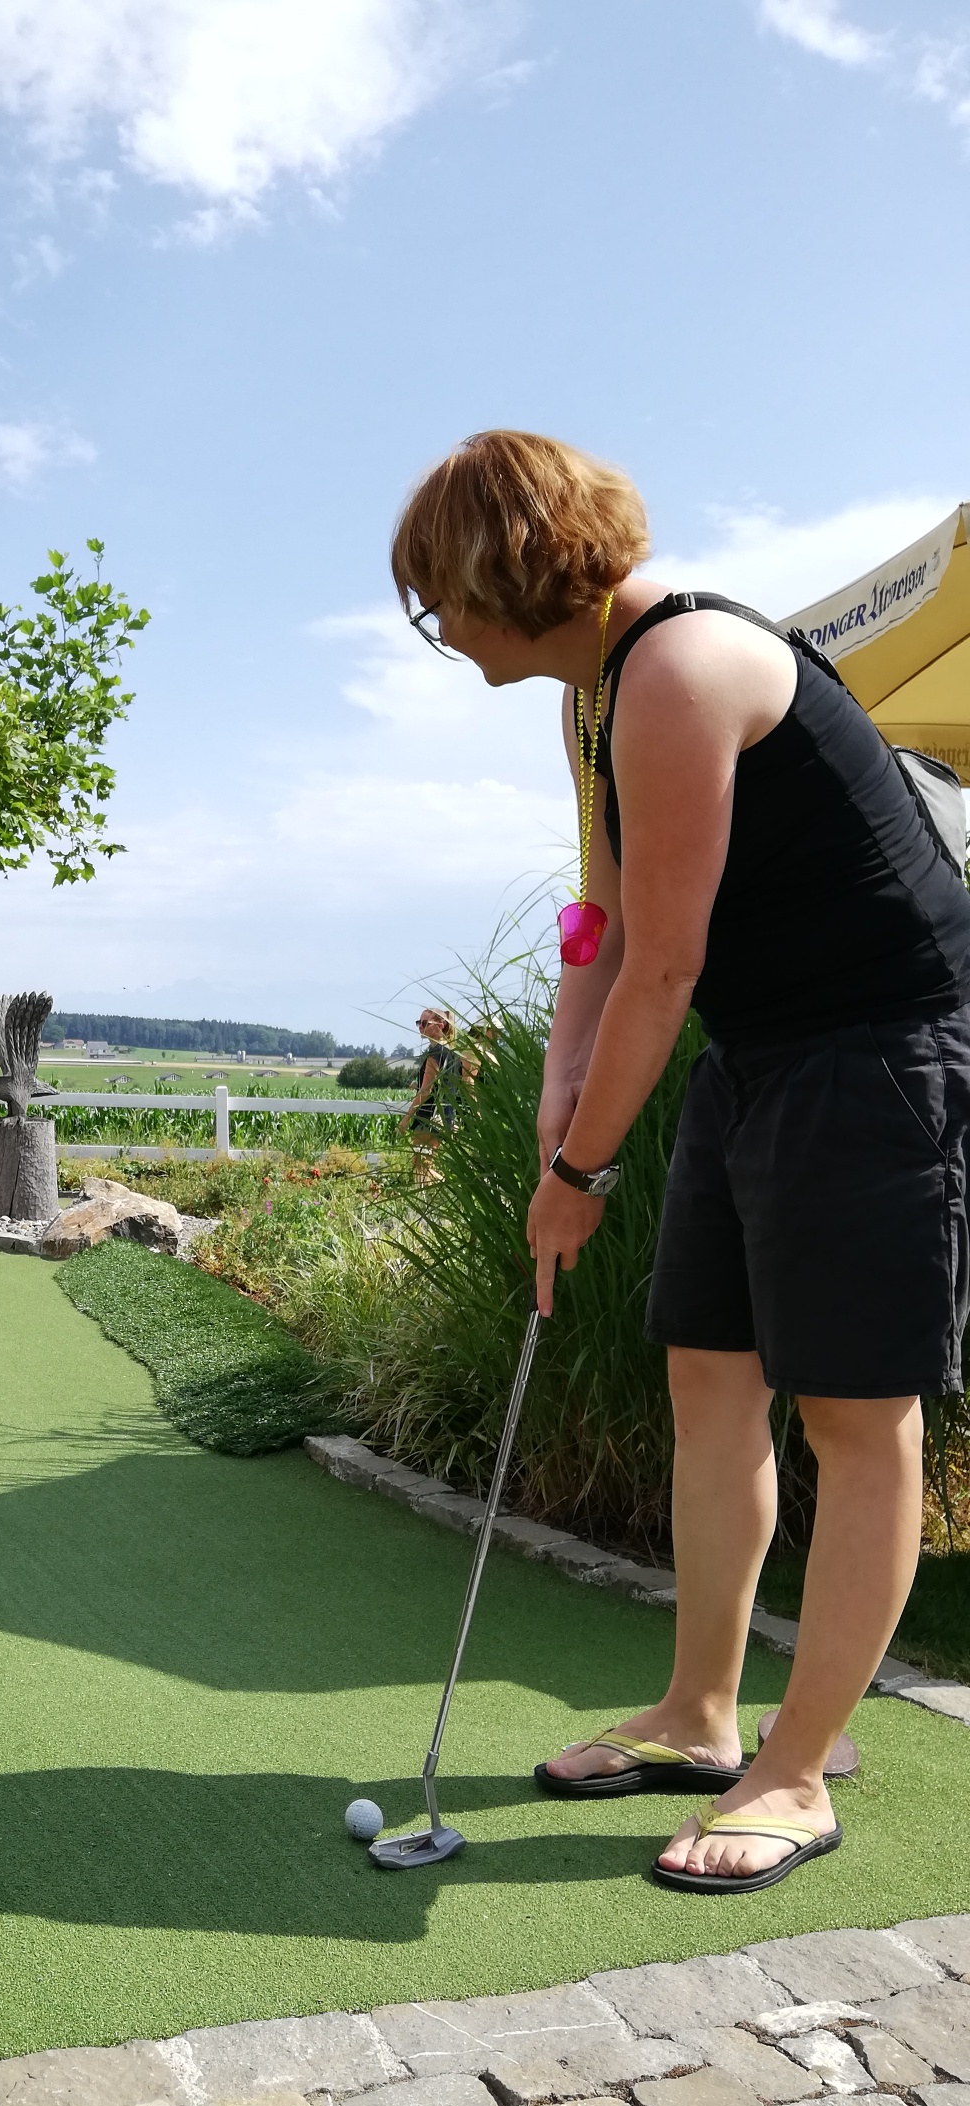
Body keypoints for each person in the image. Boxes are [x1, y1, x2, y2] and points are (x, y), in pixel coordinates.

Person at [390, 430, 970, 1892]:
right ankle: (702, 1715)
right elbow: (600, 925)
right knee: (709, 1374)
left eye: (435, 602)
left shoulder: (683, 670)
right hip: (763, 1052)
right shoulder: (591, 700)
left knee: (856, 1413)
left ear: (503, 571)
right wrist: (558, 1086)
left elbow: (669, 961)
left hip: (881, 1054)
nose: (437, 634)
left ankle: (795, 1773)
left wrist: (578, 1176)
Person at [404, 1007, 464, 1181]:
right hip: (444, 1117)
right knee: (424, 1167)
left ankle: (450, 1187)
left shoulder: (436, 1052)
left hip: (428, 1116)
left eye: (424, 1023)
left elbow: (426, 1090)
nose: (421, 1027)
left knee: (419, 1168)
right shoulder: (451, 1052)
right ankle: (447, 1190)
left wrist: (405, 1119)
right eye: (419, 1023)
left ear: (440, 1025)